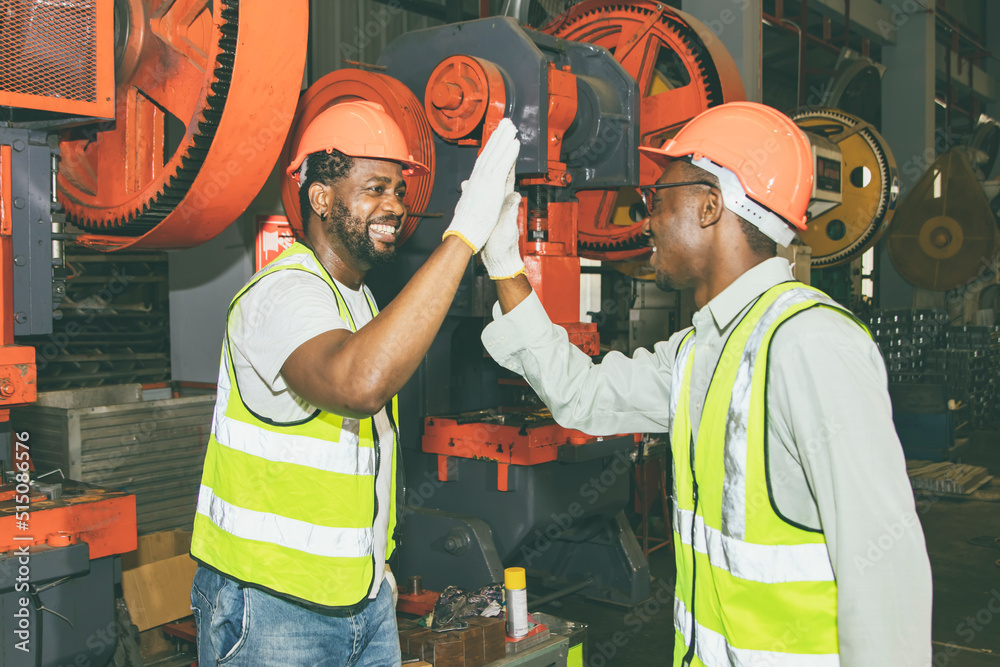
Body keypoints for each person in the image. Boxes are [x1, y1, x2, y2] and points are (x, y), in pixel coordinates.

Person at [478, 101, 932, 666]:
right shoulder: (700, 350)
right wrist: (504, 264)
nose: (646, 222)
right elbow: (583, 395)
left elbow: (884, 567)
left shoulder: (809, 344)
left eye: (658, 202)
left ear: (712, 205)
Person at [189, 101, 520, 666]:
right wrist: (461, 238)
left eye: (398, 189)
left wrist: (372, 568)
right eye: (374, 188)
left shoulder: (359, 302)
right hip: (273, 609)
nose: (394, 206)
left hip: (360, 601)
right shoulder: (282, 292)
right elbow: (357, 384)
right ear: (320, 197)